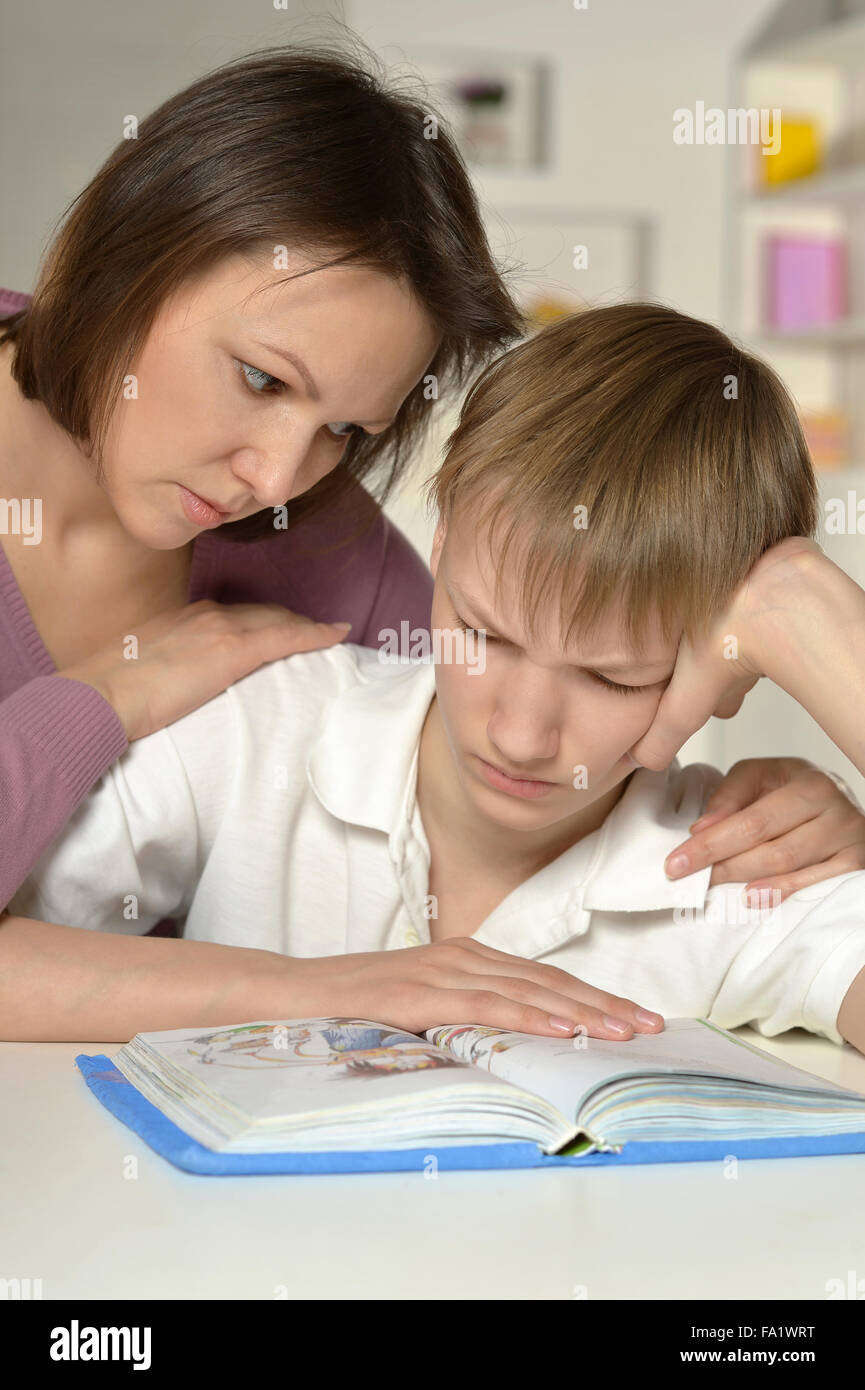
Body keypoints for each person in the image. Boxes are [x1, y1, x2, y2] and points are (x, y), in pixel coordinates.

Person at [7, 302, 865, 1054]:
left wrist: (815, 621)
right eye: (484, 634)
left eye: (612, 679)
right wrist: (326, 989)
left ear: (731, 678)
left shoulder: (741, 870)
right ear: (441, 548)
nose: (521, 734)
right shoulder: (263, 721)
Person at [0, 40, 522, 913]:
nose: (278, 481)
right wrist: (109, 700)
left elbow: (514, 796)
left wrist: (745, 820)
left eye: (346, 430)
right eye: (262, 379)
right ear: (123, 255)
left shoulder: (341, 566)